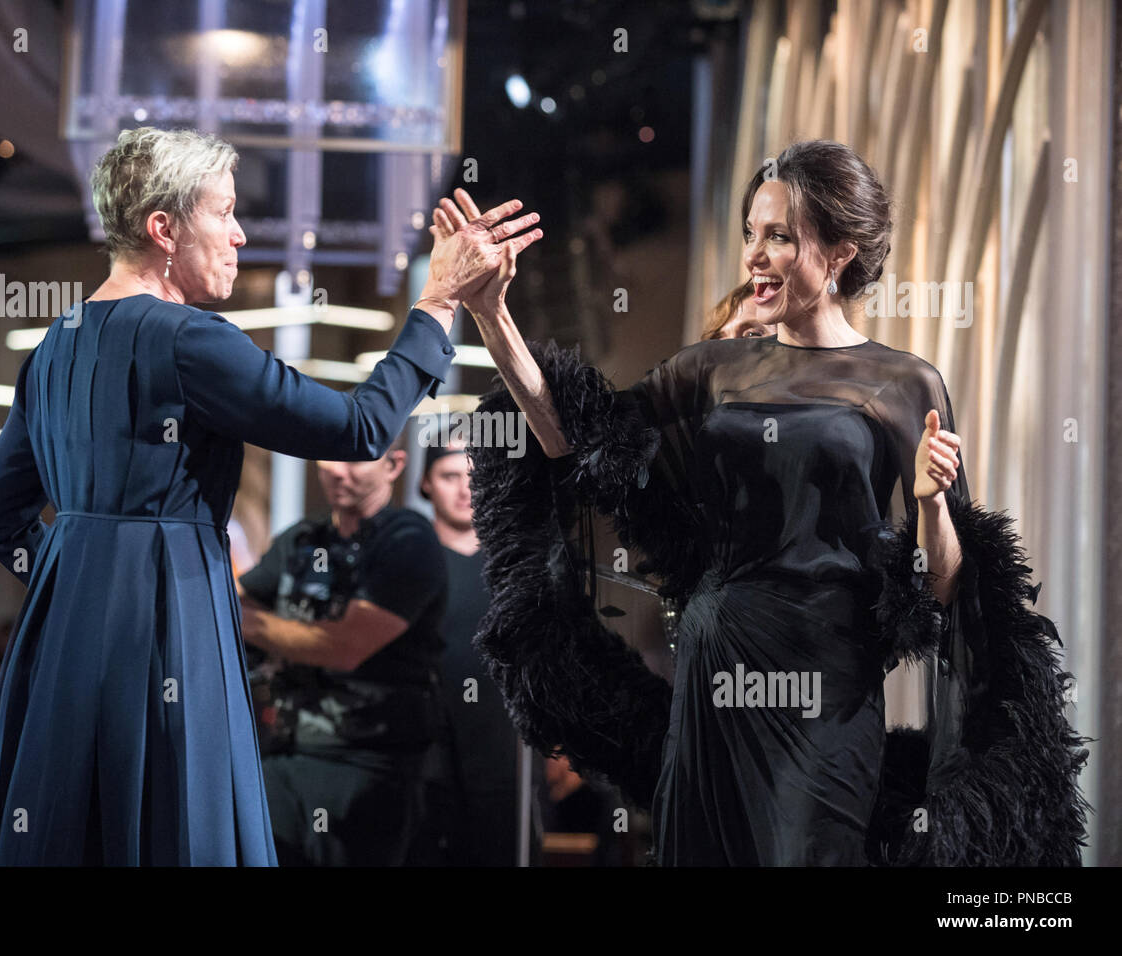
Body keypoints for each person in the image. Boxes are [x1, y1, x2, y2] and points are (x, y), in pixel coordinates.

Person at [434, 141, 1089, 866]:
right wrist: (492, 312)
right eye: (750, 233)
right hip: (716, 670)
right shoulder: (708, 372)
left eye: (778, 236)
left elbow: (947, 592)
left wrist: (932, 508)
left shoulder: (904, 383)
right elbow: (573, 436)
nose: (754, 254)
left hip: (830, 686)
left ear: (839, 252)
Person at [0, 125, 541, 865]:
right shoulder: (188, 338)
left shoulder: (53, 346)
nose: (240, 235)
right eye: (226, 213)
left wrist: (81, 582)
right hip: (172, 634)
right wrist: (436, 301)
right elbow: (363, 426)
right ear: (164, 228)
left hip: (57, 650)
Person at [237, 440, 447, 866]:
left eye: (354, 458)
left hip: (368, 765)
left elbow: (343, 647)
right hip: (284, 752)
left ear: (395, 465)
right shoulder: (301, 539)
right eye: (327, 456)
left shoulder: (408, 538)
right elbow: (234, 600)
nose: (336, 470)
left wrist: (252, 622)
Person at [405, 438, 525, 866]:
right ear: (425, 483)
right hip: (425, 753)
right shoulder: (407, 564)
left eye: (472, 477)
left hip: (504, 753)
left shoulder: (515, 567)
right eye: (449, 476)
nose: (463, 490)